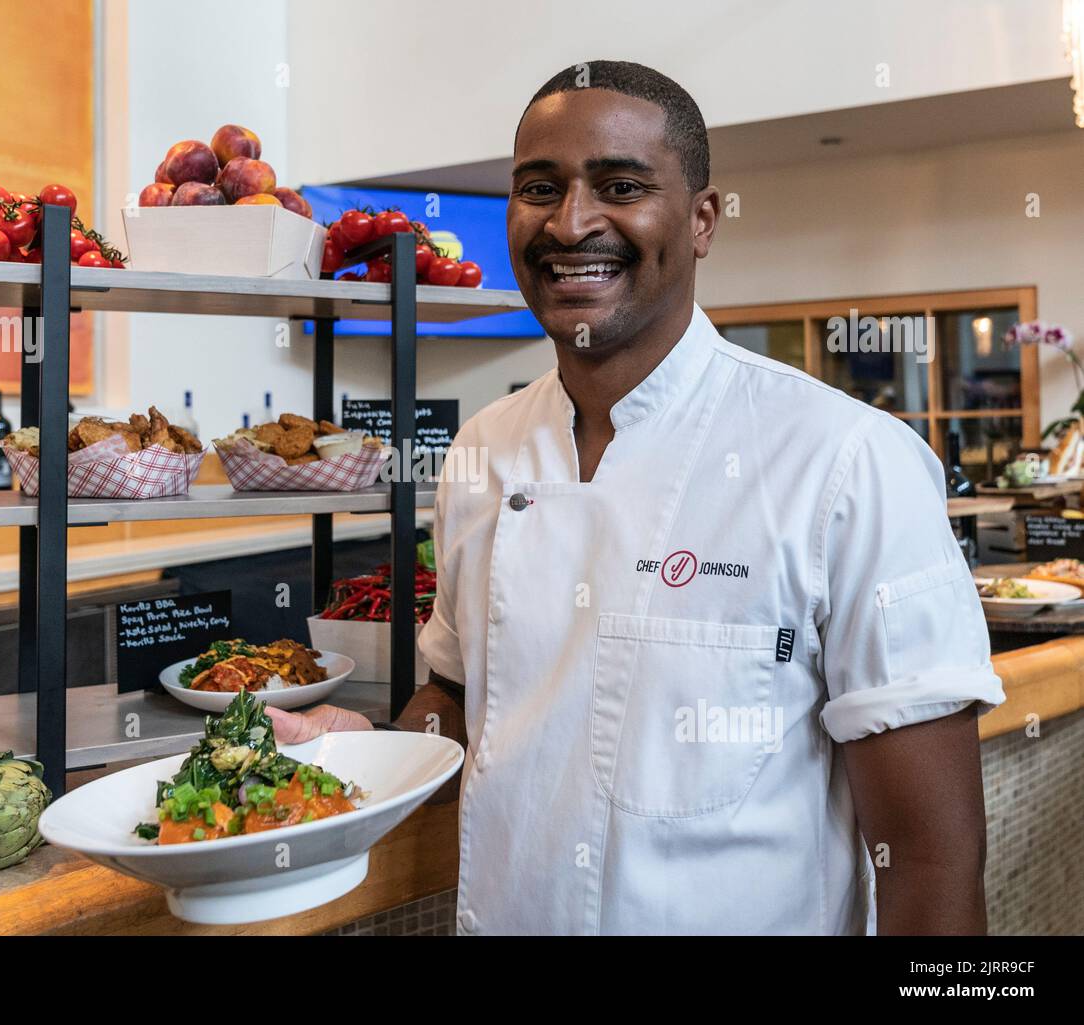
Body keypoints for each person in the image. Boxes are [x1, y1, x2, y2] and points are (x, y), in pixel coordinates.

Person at [268, 60, 1004, 935]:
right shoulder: (482, 451)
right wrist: (372, 750)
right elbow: (469, 700)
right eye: (538, 187)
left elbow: (930, 856)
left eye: (619, 185)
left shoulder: (846, 460)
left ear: (700, 221)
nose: (571, 221)